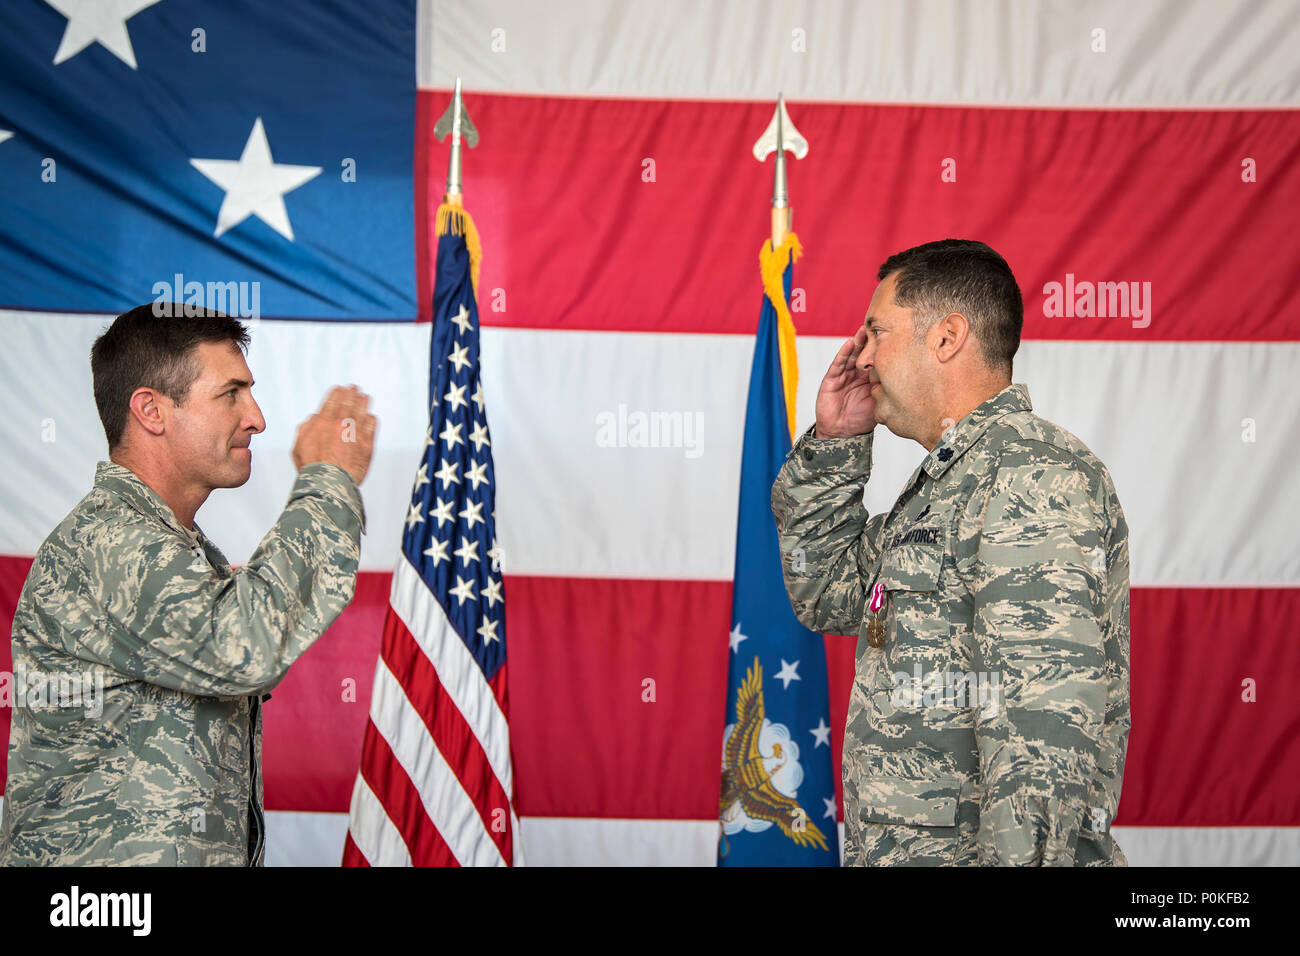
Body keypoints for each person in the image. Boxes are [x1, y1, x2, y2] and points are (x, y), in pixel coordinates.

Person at [771, 239, 1129, 866]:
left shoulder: (1031, 476)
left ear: (946, 338)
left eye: (877, 331)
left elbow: (1043, 731)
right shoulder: (947, 485)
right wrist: (836, 444)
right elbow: (824, 592)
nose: (863, 354)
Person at [0, 304, 376, 866]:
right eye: (231, 393)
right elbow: (245, 645)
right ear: (151, 410)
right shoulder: (109, 542)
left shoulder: (175, 549)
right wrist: (328, 479)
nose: (257, 418)